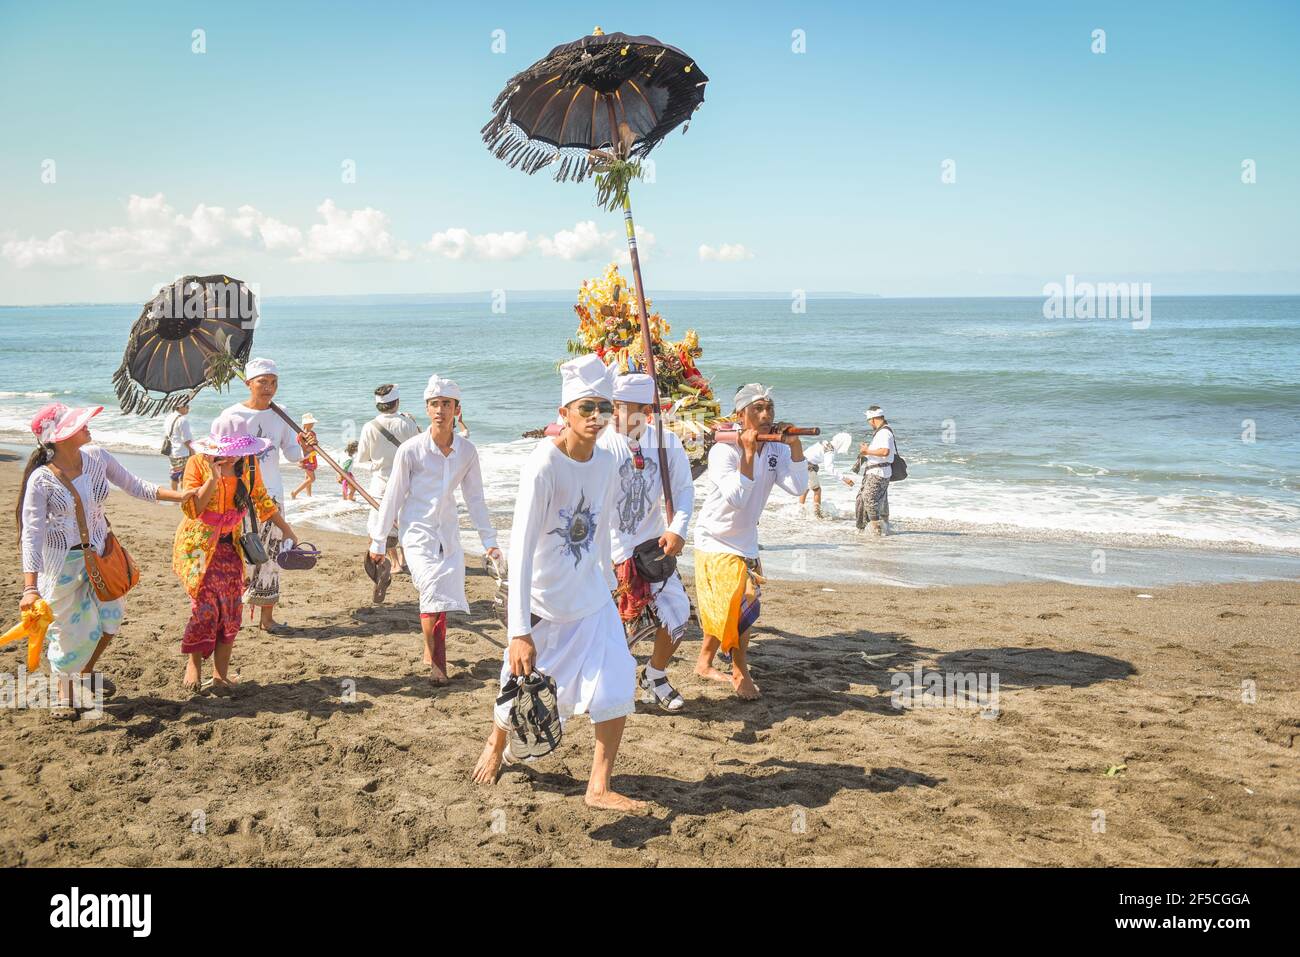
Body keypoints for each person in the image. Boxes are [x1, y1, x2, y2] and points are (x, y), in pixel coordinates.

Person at [471, 354, 642, 812]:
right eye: (586, 408)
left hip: (591, 600)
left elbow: (603, 527)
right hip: (542, 605)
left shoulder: (607, 461)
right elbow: (521, 549)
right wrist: (518, 632)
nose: (596, 418)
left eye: (604, 409)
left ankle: (598, 786)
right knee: (518, 688)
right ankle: (495, 743)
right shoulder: (543, 464)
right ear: (563, 412)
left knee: (617, 686)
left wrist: (615, 580)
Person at [17, 403, 192, 718]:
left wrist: (180, 496)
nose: (86, 424)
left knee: (110, 619)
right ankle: (63, 694)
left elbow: (136, 486)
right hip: (62, 568)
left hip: (102, 556)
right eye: (77, 423)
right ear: (58, 438)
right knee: (69, 632)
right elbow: (32, 535)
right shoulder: (41, 481)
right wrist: (30, 588)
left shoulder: (98, 457)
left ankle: (85, 672)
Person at [366, 374, 501, 684]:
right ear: (427, 409)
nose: (440, 410)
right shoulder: (411, 450)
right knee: (431, 590)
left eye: (446, 404)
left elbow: (475, 499)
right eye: (434, 404)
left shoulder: (467, 452)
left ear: (457, 409)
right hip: (416, 533)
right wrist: (378, 541)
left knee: (443, 594)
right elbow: (394, 495)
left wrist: (489, 542)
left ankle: (430, 651)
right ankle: (438, 667)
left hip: (449, 534)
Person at [692, 384, 807, 699]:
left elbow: (798, 487)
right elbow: (739, 498)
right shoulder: (723, 451)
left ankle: (703, 662)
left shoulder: (777, 448)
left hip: (746, 539)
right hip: (714, 538)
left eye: (770, 407)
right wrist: (747, 452)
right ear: (740, 415)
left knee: (728, 609)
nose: (767, 414)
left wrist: (794, 446)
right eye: (758, 408)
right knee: (742, 601)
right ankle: (740, 671)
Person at [597, 372, 694, 712]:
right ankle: (610, 688)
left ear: (646, 413)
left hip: (653, 546)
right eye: (615, 407)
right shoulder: (600, 443)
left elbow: (683, 489)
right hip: (609, 550)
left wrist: (678, 528)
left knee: (678, 615)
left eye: (626, 408)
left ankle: (654, 674)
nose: (617, 415)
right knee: (613, 630)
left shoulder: (666, 442)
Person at [173, 430, 296, 696]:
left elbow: (262, 501)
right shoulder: (198, 463)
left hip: (231, 546)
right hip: (198, 548)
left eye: (237, 453)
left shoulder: (249, 465)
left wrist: (287, 530)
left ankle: (220, 675)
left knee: (231, 610)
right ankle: (193, 664)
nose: (233, 457)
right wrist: (214, 479)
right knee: (204, 607)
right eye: (228, 453)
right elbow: (193, 509)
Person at [211, 358, 309, 632]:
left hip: (272, 495)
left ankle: (267, 619)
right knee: (243, 556)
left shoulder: (282, 413)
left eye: (274, 382)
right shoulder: (230, 417)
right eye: (262, 382)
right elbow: (214, 456)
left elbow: (292, 454)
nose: (269, 388)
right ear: (248, 384)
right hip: (239, 497)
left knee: (273, 556)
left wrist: (307, 445)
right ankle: (233, 615)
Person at [355, 384, 421, 578]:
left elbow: (361, 457)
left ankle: (393, 563)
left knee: (379, 527)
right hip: (407, 481)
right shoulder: (407, 423)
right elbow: (419, 450)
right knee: (407, 524)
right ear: (397, 402)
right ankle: (407, 560)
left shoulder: (369, 427)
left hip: (381, 482)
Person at [854, 406, 896, 536]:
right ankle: (884, 527)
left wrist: (866, 451)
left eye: (868, 421)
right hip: (880, 471)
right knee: (878, 499)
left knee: (869, 499)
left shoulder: (883, 432)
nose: (869, 423)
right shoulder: (884, 431)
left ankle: (876, 530)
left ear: (872, 419)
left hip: (878, 472)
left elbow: (884, 451)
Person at [799, 439, 835, 518]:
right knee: (817, 489)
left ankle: (800, 510)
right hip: (808, 466)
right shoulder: (829, 449)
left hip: (802, 463)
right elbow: (828, 467)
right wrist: (843, 478)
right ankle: (817, 513)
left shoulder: (823, 444)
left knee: (805, 488)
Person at [162, 403, 194, 491]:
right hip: (182, 452)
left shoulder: (168, 417)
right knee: (185, 476)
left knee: (174, 475)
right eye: (187, 406)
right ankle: (183, 496)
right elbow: (186, 440)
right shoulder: (183, 420)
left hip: (172, 451)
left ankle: (174, 495)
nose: (188, 409)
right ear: (180, 407)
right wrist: (192, 451)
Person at [290, 413, 319, 499]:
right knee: (312, 478)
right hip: (306, 458)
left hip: (312, 457)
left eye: (312, 423)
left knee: (308, 477)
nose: (312, 424)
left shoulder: (312, 433)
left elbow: (315, 443)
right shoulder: (301, 436)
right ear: (305, 424)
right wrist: (312, 444)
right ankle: (295, 492)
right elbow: (305, 448)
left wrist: (314, 443)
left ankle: (309, 495)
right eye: (311, 423)